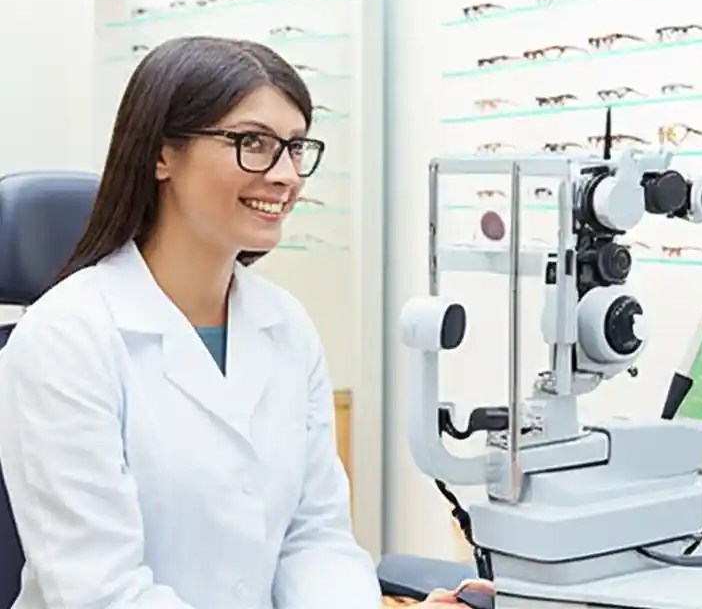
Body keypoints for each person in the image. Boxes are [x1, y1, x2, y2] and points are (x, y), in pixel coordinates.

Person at [0, 36, 493, 607]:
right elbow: (102, 592)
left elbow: (314, 539)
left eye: (295, 147)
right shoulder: (65, 338)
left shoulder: (285, 325)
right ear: (162, 154)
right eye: (252, 143)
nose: (286, 175)